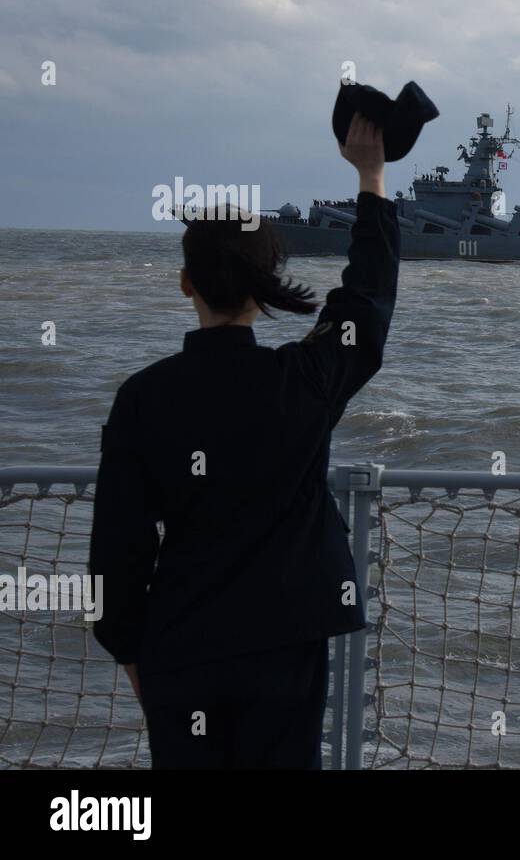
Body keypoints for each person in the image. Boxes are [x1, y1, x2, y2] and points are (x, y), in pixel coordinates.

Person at [88, 114, 398, 768]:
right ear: (261, 292)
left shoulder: (142, 400)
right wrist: (371, 177)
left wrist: (132, 652)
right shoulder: (302, 383)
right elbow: (364, 305)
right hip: (284, 656)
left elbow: (118, 553)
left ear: (185, 282)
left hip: (180, 654)